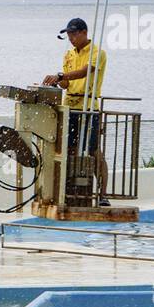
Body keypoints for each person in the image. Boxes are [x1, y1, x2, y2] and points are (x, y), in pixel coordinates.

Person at [42, 17, 109, 206]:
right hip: (70, 105)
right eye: (69, 35)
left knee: (93, 150)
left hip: (89, 106)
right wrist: (57, 81)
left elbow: (85, 72)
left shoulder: (97, 52)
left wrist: (61, 75)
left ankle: (103, 194)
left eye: (73, 34)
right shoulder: (69, 55)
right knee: (69, 149)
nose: (71, 38)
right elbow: (66, 83)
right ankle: (71, 191)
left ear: (84, 33)